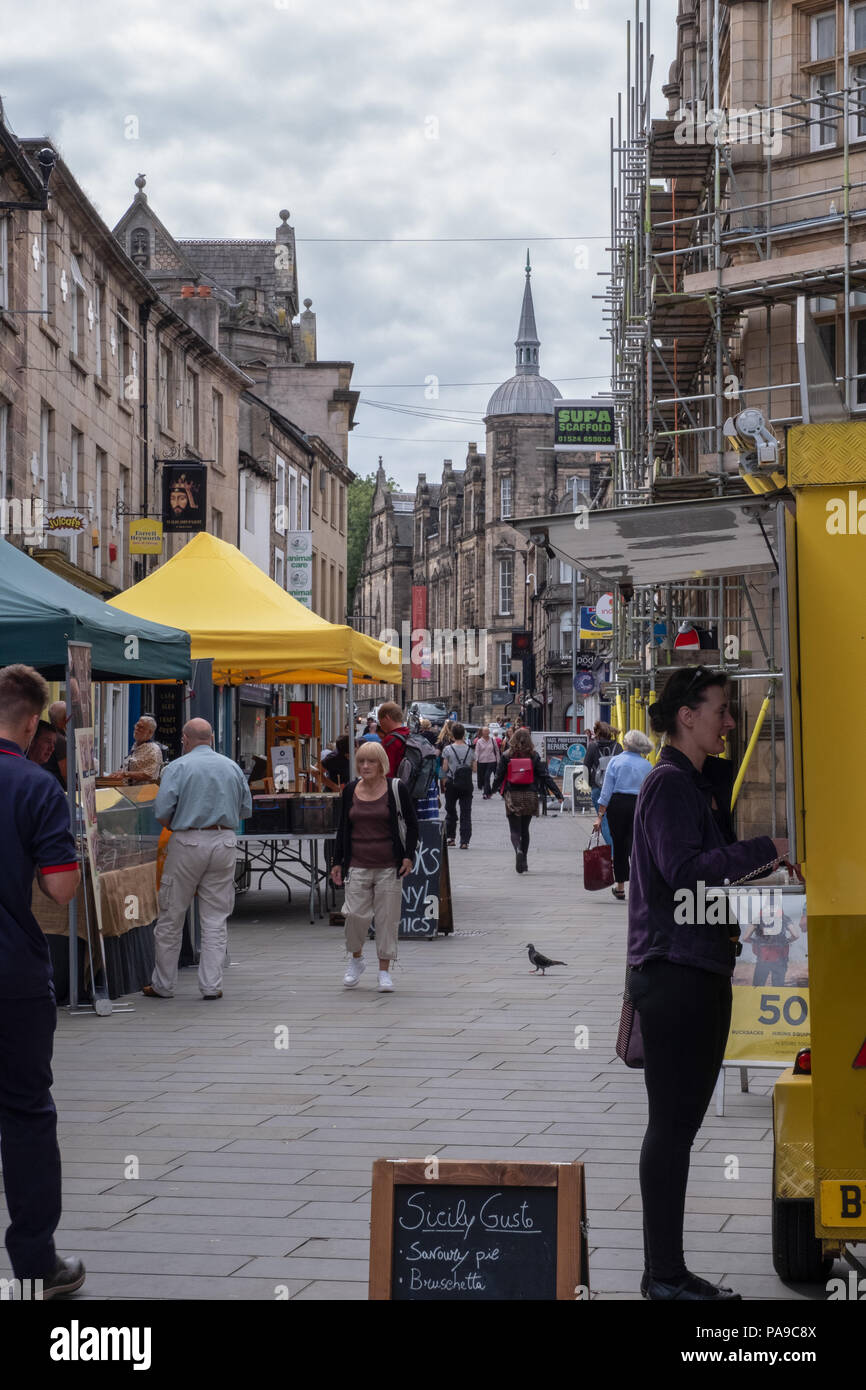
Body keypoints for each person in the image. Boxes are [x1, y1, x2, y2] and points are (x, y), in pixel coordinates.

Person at [627, 665, 789, 1301]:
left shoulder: (691, 784)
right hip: (675, 974)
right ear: (685, 716)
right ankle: (662, 1274)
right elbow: (687, 872)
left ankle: (668, 1270)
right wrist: (764, 848)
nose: (730, 722)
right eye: (722, 710)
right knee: (670, 1128)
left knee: (678, 1129)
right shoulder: (668, 784)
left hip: (692, 968)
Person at [0, 664, 84, 1297]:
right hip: (12, 973)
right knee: (26, 1113)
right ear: (33, 724)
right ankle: (34, 1264)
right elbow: (59, 885)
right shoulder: (35, 785)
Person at [143, 719, 252, 1001]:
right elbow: (245, 809)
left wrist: (182, 822)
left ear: (185, 738)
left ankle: (164, 984)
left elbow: (162, 812)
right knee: (215, 917)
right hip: (224, 840)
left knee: (172, 914)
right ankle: (211, 985)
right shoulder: (232, 767)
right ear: (212, 738)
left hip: (188, 840)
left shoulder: (177, 767)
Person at [330, 740, 418, 992]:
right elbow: (342, 828)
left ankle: (384, 971)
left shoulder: (396, 788)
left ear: (382, 764)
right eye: (361, 761)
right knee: (354, 915)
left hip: (389, 866)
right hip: (357, 864)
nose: (365, 766)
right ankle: (356, 960)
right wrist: (337, 862)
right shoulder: (350, 790)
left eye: (371, 761)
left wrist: (408, 856)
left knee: (387, 919)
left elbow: (412, 825)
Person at [593, 729, 654, 900]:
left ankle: (620, 887)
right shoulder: (647, 765)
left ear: (626, 743)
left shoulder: (615, 762)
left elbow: (606, 791)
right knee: (636, 845)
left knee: (619, 845)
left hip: (617, 805)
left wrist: (600, 816)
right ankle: (639, 887)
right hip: (638, 805)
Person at [491, 727, 549, 873]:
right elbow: (544, 776)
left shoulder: (506, 755)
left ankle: (518, 850)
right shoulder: (534, 756)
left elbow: (498, 776)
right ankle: (525, 862)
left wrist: (494, 790)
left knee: (514, 829)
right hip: (530, 795)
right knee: (525, 829)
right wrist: (558, 794)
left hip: (513, 794)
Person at [583, 721, 622, 849]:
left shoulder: (593, 747)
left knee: (604, 821)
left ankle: (613, 853)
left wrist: (589, 784)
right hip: (615, 790)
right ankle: (618, 851)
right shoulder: (618, 747)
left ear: (598, 733)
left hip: (598, 789)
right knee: (616, 822)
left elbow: (585, 768)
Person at [440, 722, 475, 849]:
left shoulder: (447, 749)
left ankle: (451, 838)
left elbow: (444, 768)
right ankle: (465, 841)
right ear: (464, 734)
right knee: (466, 812)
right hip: (466, 783)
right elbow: (474, 768)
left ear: (453, 735)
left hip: (452, 782)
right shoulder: (470, 750)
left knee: (450, 810)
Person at [104, 715, 163, 785]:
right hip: (128, 790)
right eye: (137, 725)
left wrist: (126, 774)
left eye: (141, 727)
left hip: (143, 792)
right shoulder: (137, 745)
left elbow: (149, 775)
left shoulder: (153, 750)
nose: (137, 728)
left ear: (150, 732)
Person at [377, 701, 411, 777]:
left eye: (380, 721)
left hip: (394, 786)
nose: (380, 726)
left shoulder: (390, 740)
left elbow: (387, 772)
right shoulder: (409, 734)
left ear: (387, 717)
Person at [43, 701, 68, 789]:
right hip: (57, 788)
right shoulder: (60, 740)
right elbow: (66, 774)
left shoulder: (45, 734)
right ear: (65, 718)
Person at [473, 725, 500, 799]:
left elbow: (497, 750)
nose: (486, 732)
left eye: (487, 731)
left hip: (491, 761)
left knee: (487, 777)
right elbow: (477, 752)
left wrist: (498, 760)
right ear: (482, 732)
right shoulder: (479, 741)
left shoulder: (492, 740)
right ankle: (489, 792)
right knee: (484, 778)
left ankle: (485, 793)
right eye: (485, 731)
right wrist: (476, 760)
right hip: (482, 761)